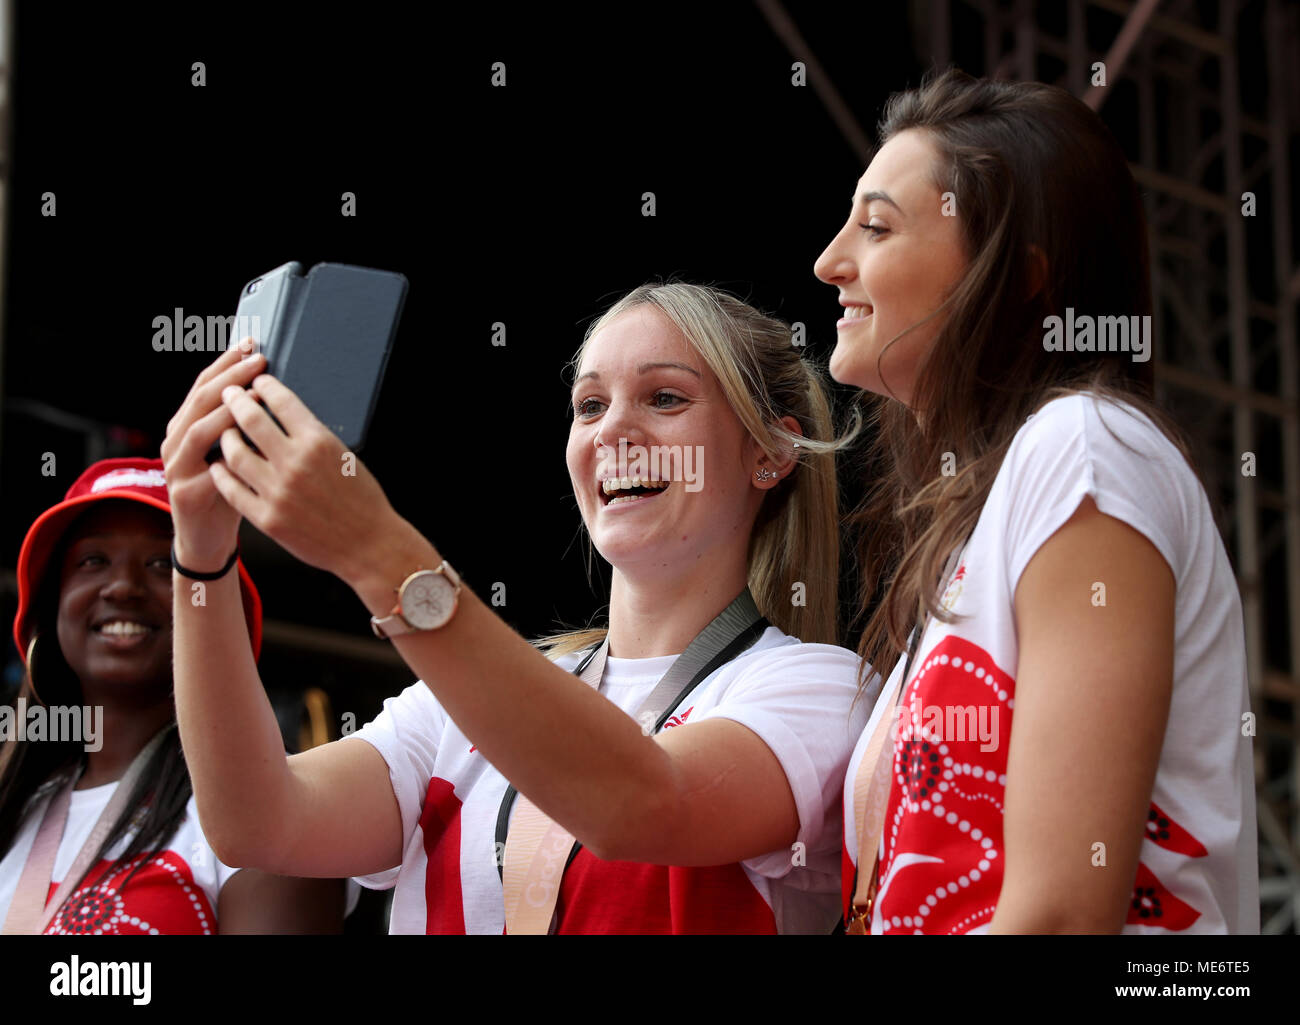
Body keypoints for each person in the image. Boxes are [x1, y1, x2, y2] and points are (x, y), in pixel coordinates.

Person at [161, 282, 872, 933]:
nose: (611, 432)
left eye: (664, 398)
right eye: (590, 405)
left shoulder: (823, 688)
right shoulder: (461, 707)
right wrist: (200, 550)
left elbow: (640, 804)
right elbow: (254, 821)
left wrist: (374, 550)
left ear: (771, 452)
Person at [816, 67, 1259, 934]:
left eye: (875, 227)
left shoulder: (1086, 446)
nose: (830, 262)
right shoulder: (992, 519)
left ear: (1014, 276)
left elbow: (1059, 912)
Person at [0, 457, 348, 934]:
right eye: (92, 561)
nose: (122, 587)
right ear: (50, 611)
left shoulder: (277, 807)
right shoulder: (15, 807)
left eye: (165, 563)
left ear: (222, 616)